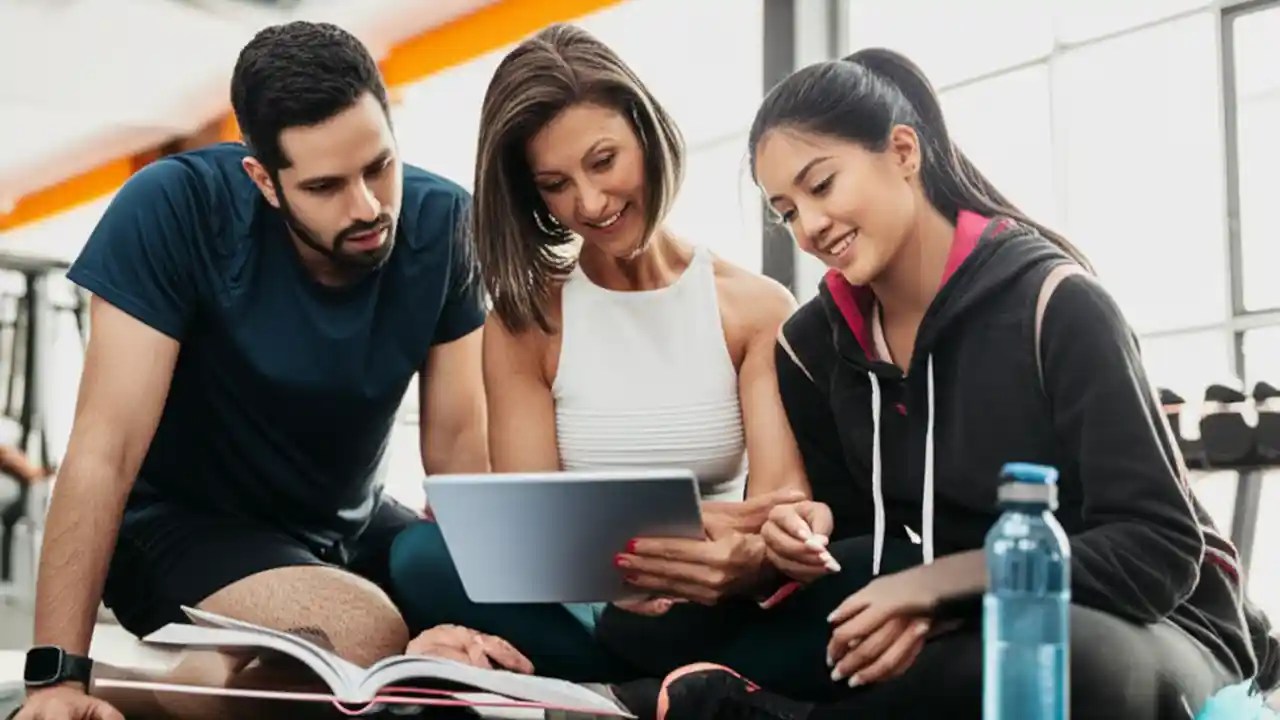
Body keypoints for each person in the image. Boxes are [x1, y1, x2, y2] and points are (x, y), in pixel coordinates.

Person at [652, 48, 1280, 720]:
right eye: (786, 211)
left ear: (903, 152)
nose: (809, 226)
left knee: (1051, 661)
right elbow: (863, 549)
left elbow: (1159, 550)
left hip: (1151, 618)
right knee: (678, 623)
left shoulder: (1056, 304)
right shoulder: (812, 348)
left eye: (822, 186)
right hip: (962, 607)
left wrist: (942, 584)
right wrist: (806, 541)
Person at [17, 21, 532, 720]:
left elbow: (460, 449)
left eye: (379, 166)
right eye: (324, 186)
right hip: (178, 533)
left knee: (511, 630)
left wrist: (479, 615)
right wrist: (57, 678)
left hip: (344, 531)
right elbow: (103, 452)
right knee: (362, 632)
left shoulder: (445, 222)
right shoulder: (173, 207)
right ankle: (129, 687)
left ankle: (197, 681)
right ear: (263, 180)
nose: (367, 206)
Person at [389, 23, 812, 686]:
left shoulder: (757, 308)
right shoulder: (525, 324)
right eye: (555, 183)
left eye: (603, 160)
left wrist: (747, 560)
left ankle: (638, 687)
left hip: (717, 602)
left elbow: (780, 505)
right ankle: (676, 687)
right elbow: (537, 537)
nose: (589, 202)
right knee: (418, 556)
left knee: (842, 599)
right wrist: (634, 557)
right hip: (594, 608)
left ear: (646, 134)